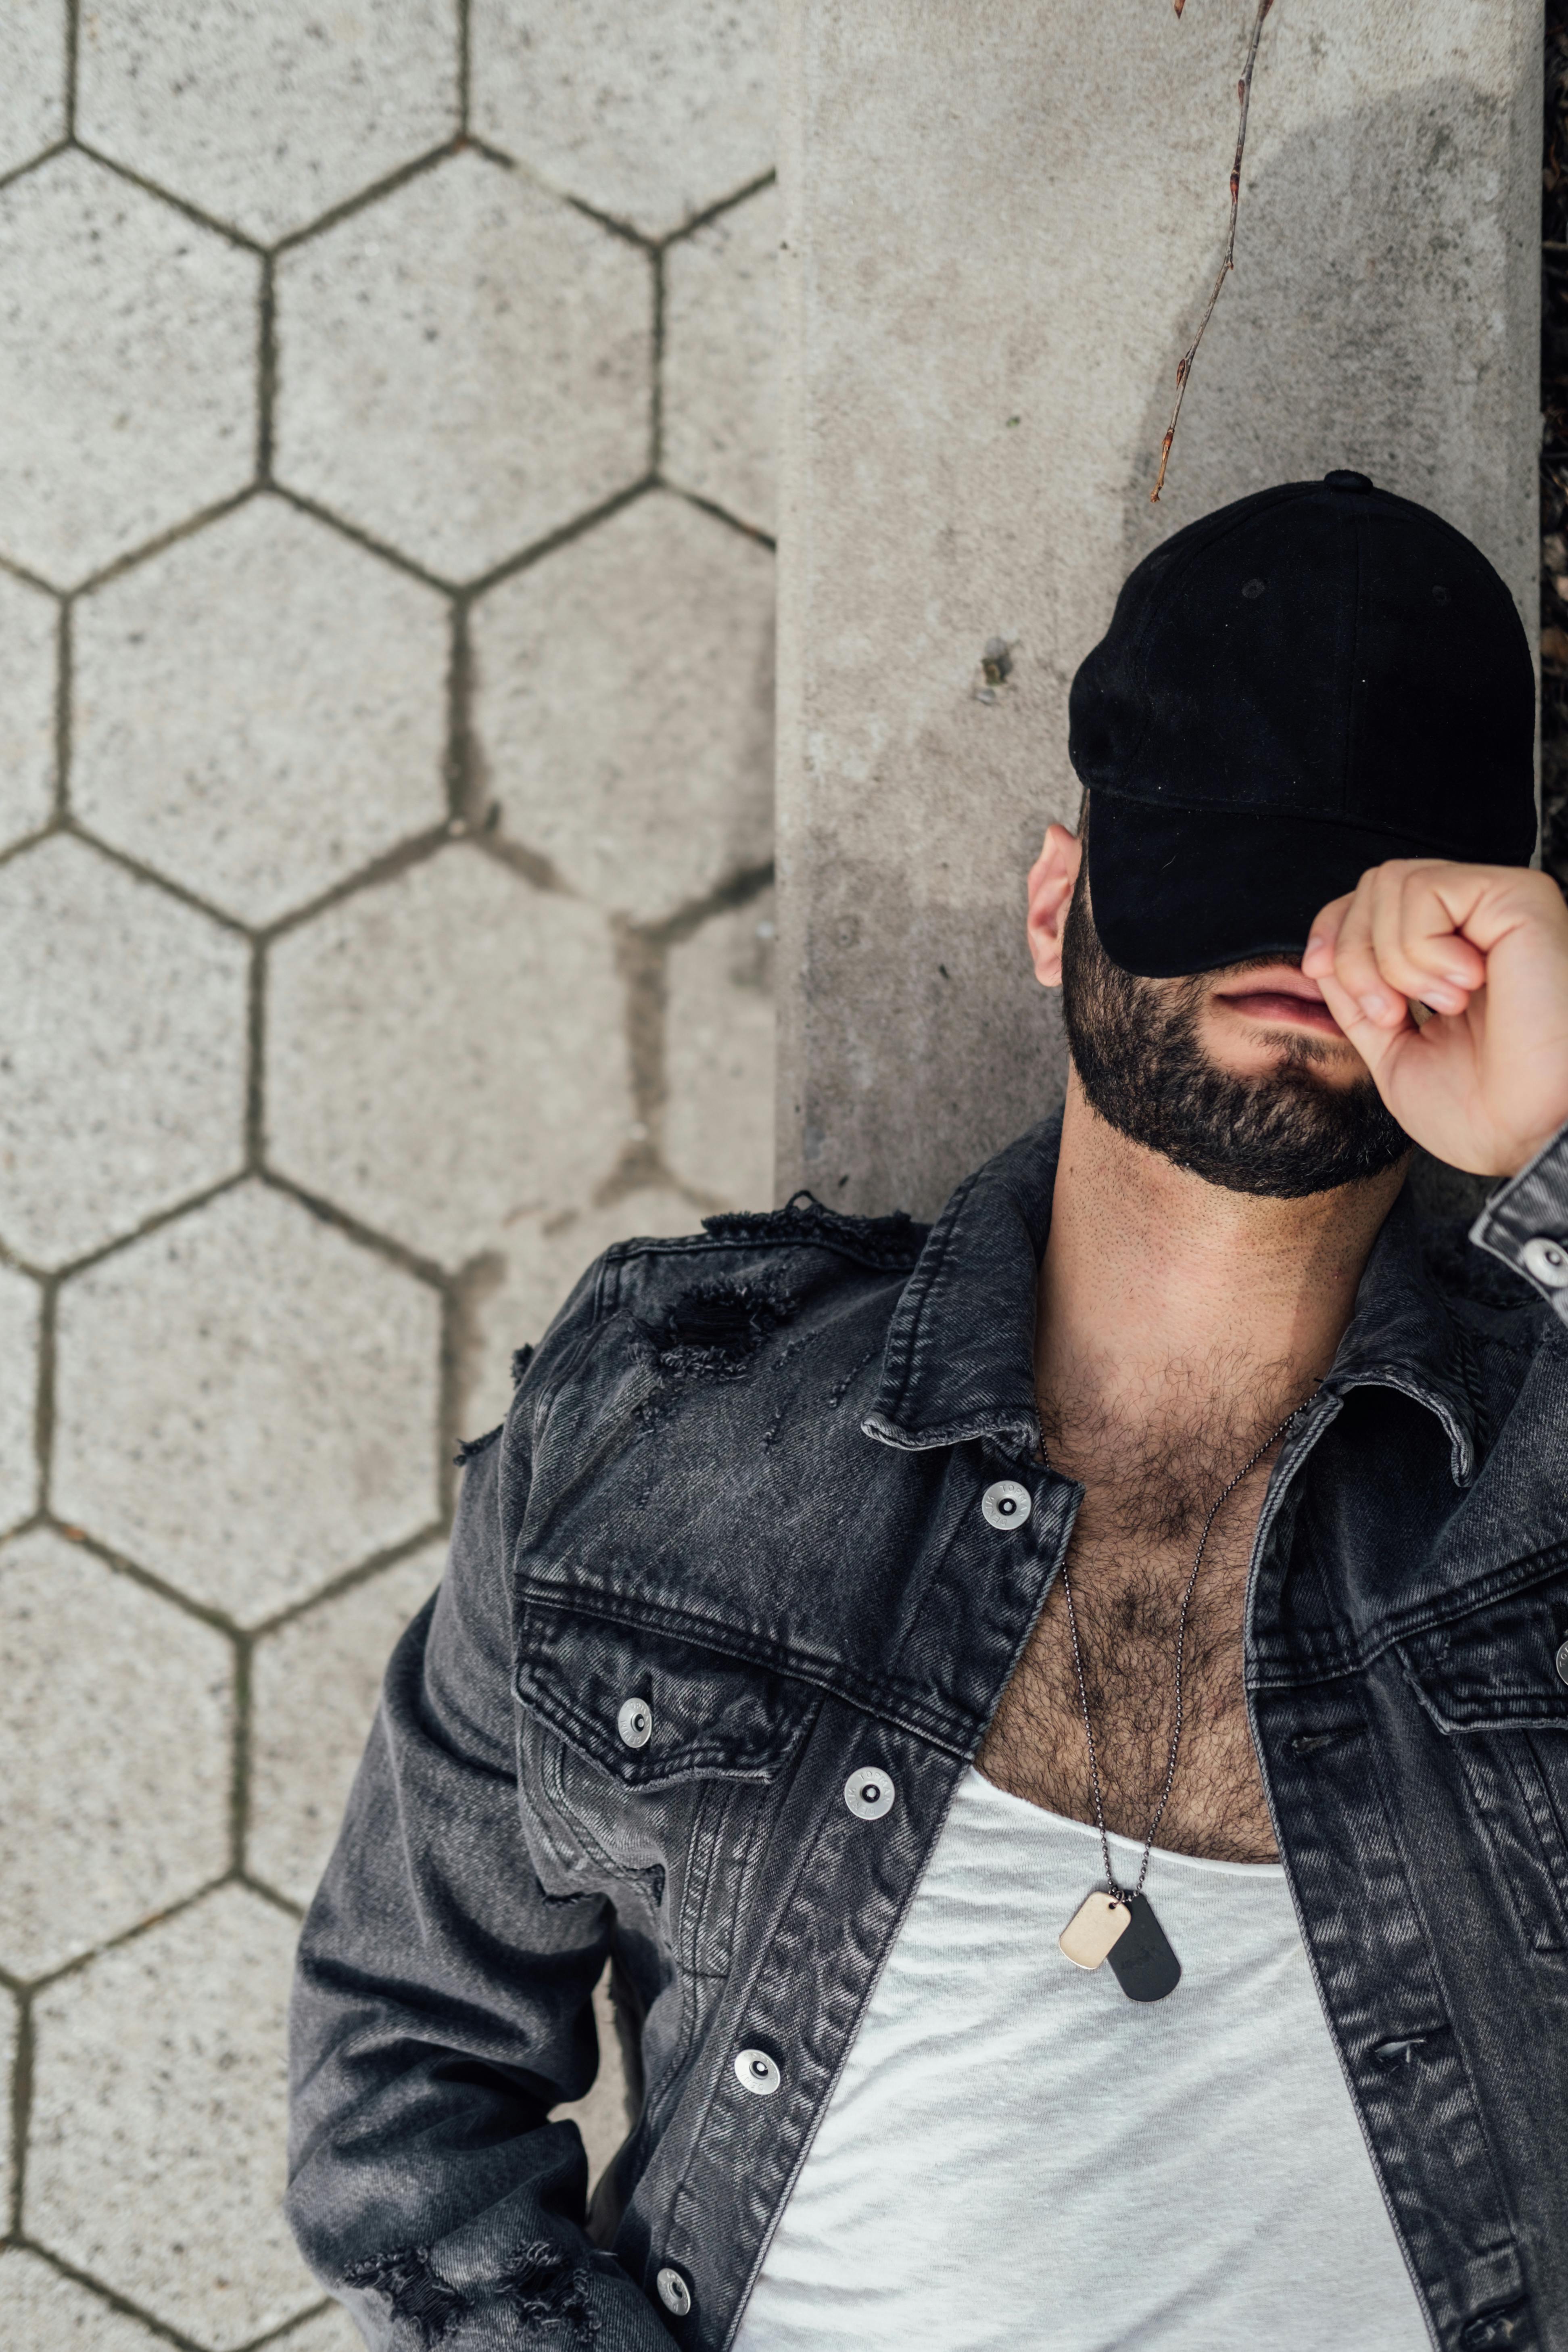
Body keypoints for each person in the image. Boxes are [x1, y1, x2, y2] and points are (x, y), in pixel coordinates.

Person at [286, 471, 1568, 2352]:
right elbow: (405, 2062)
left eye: (1384, 904)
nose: (1307, 954)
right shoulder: (674, 1420)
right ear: (1060, 907)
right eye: (1230, 872)